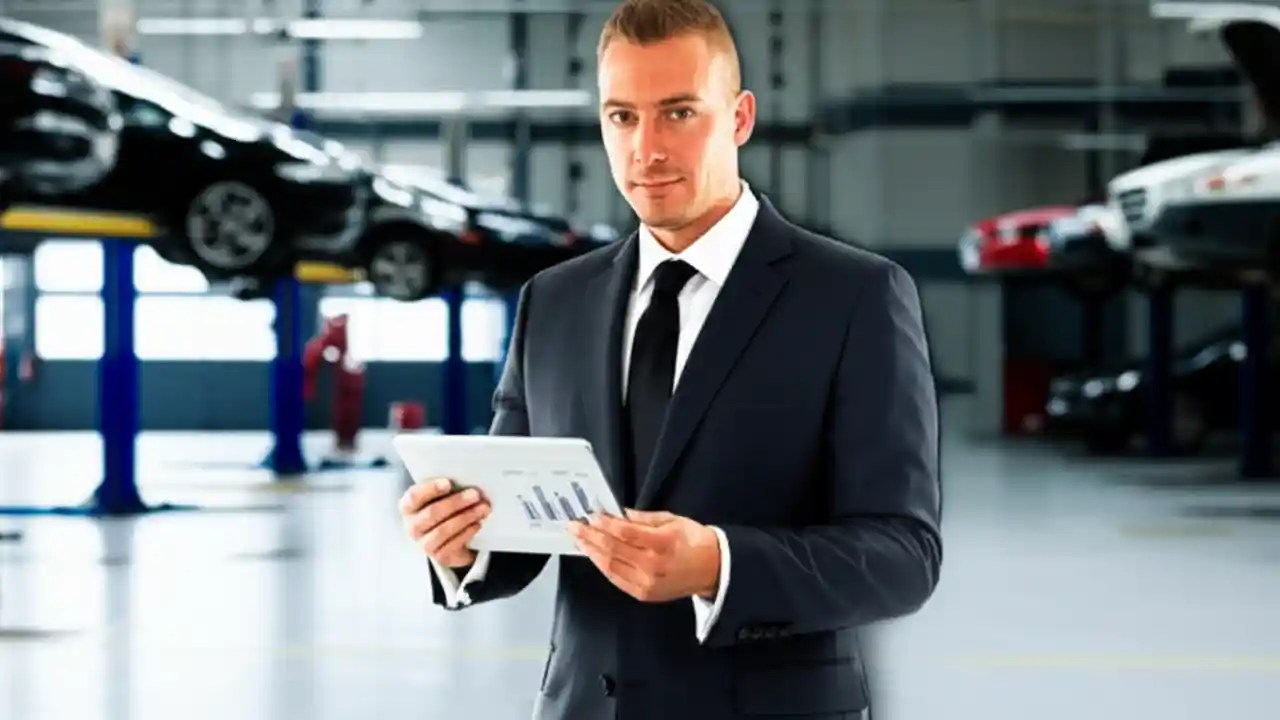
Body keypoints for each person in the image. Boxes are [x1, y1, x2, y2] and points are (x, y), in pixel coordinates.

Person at [398, 1, 943, 718]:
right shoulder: (554, 301)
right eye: (622, 116)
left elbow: (904, 554)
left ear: (740, 117)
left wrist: (718, 563)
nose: (645, 148)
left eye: (678, 113)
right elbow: (525, 518)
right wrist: (459, 545)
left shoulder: (854, 296)